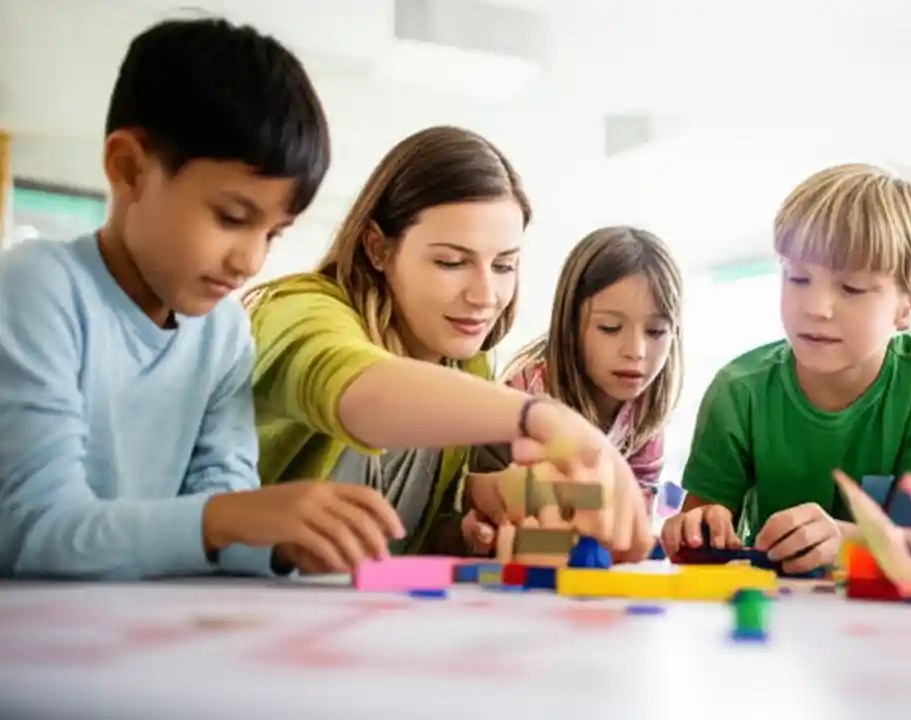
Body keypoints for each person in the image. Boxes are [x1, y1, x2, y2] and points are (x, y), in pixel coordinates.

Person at [0, 17, 404, 579]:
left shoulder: (222, 331)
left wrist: (282, 543)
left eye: (273, 233)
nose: (251, 261)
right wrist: (229, 518)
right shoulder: (38, 289)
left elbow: (224, 510)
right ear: (129, 169)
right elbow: (35, 530)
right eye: (231, 218)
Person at [246, 127, 653, 571]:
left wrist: (469, 530)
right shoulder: (300, 310)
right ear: (378, 248)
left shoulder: (465, 361)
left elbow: (409, 537)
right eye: (451, 262)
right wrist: (546, 417)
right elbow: (362, 390)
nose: (484, 295)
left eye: (503, 265)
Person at [660, 163, 911, 574]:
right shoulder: (740, 390)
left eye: (852, 288)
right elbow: (697, 540)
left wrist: (845, 540)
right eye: (798, 278)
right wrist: (693, 531)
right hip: (774, 612)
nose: (815, 308)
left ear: (909, 304)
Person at [467, 227, 683, 548]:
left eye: (656, 331)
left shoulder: (644, 418)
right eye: (610, 328)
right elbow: (490, 521)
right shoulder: (521, 403)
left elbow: (629, 534)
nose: (636, 350)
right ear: (569, 326)